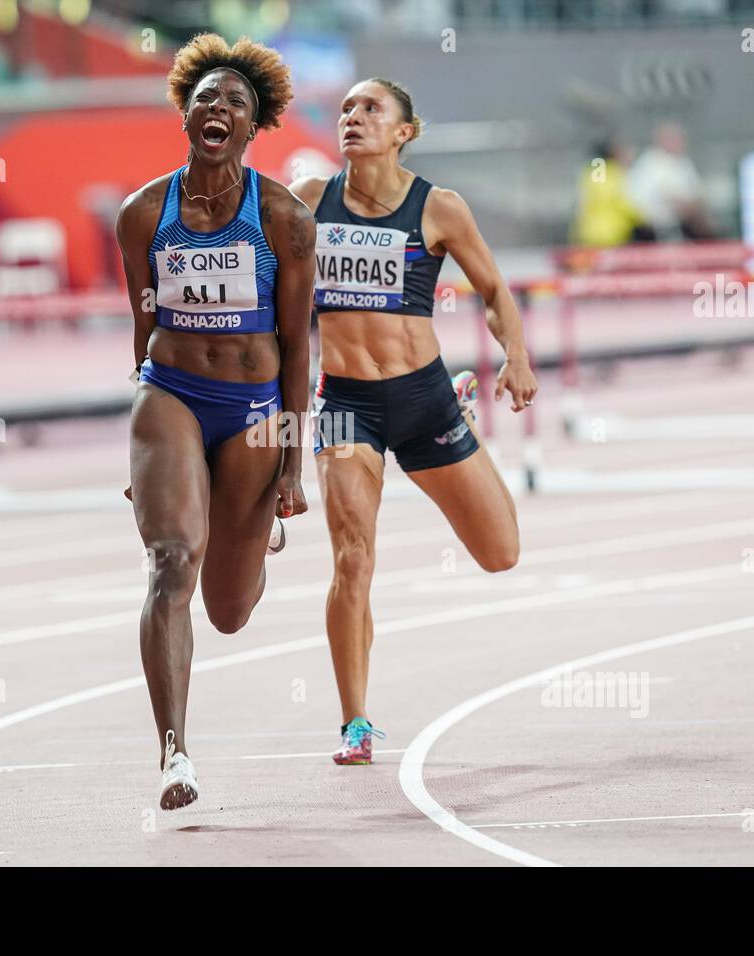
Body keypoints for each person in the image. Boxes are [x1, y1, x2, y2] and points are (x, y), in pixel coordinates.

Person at [289, 78, 536, 765]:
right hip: (344, 404)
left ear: (404, 131)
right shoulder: (311, 200)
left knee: (500, 553)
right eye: (346, 109)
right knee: (352, 559)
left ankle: (457, 402)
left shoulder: (440, 208)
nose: (353, 117)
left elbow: (494, 290)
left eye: (371, 109)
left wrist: (514, 355)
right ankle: (355, 724)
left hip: (424, 398)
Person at [114, 34, 316, 808]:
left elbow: (299, 344)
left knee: (229, 610)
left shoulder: (285, 218)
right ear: (185, 116)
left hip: (258, 412)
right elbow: (141, 327)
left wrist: (294, 460)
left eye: (235, 100)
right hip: (169, 393)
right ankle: (175, 753)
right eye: (205, 98)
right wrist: (144, 448)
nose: (217, 107)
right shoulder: (142, 214)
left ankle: (256, 523)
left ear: (254, 124)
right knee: (171, 562)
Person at [626, 122, 715, 241]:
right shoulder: (652, 161)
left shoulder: (682, 162)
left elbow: (696, 191)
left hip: (679, 223)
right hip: (653, 228)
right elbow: (671, 197)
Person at [571, 137, 653, 247]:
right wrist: (642, 219)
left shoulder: (591, 172)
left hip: (588, 231)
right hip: (611, 232)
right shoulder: (612, 173)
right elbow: (618, 200)